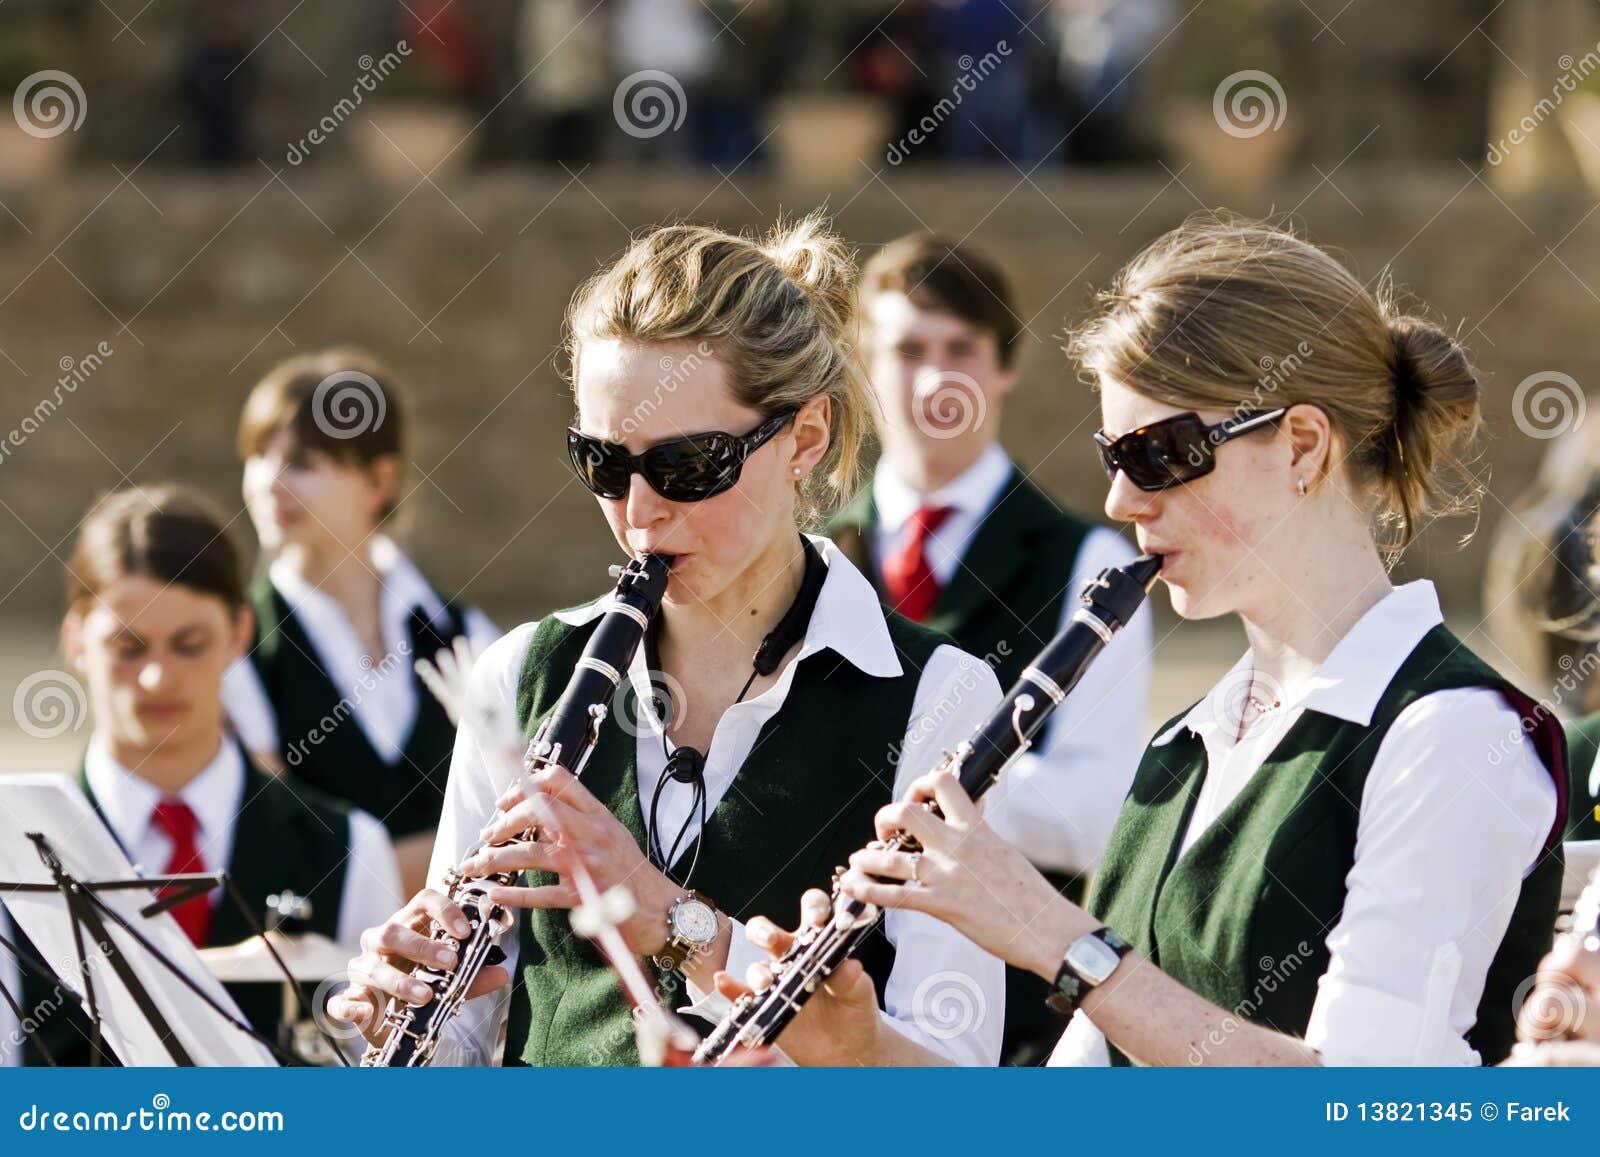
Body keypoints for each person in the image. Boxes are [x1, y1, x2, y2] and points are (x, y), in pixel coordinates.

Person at [746, 215, 1567, 1067]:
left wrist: (1050, 931)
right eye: (1113, 455)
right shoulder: (1185, 745)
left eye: (1161, 454)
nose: (1121, 502)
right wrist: (862, 1052)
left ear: (1303, 444)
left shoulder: (1455, 733)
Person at [329, 216, 1006, 1066]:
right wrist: (407, 1024)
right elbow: (472, 1044)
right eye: (605, 464)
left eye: (689, 465)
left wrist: (682, 924)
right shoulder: (522, 676)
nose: (640, 512)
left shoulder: (940, 698)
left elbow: (959, 1077)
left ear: (805, 436)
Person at [827, 232, 1150, 1064]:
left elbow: (1094, 818)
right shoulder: (811, 558)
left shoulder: (1090, 560)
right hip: (826, 1011)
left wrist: (920, 766)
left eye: (961, 348)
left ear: (1004, 366)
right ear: (862, 366)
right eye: (905, 349)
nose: (935, 378)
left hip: (1015, 1025)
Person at [0, 485, 401, 1066]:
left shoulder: (350, 846)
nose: (158, 678)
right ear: (75, 640)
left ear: (240, 632)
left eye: (190, 644)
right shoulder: (11, 846)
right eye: (128, 646)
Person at [223, 350, 500, 897]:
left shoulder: (469, 634)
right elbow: (288, 860)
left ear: (378, 480)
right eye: (258, 456)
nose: (267, 483)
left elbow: (530, 812)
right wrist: (467, 857)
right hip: (323, 976)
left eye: (301, 462)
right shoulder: (237, 648)